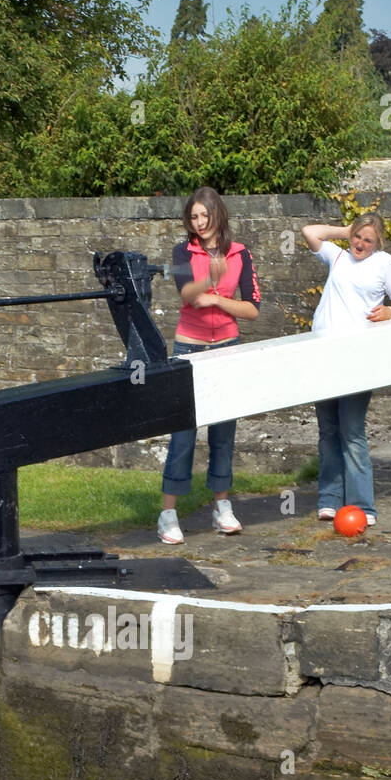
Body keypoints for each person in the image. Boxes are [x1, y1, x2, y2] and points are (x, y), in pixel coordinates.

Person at [158, 187, 261, 545]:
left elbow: (251, 308)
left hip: (227, 347)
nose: (199, 223)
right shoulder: (181, 251)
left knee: (223, 431)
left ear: (218, 214)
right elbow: (187, 294)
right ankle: (168, 513)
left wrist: (216, 297)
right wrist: (210, 278)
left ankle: (222, 507)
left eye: (204, 215)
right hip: (189, 346)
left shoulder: (240, 253)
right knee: (183, 432)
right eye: (193, 217)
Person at [300, 213, 391, 527]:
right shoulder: (338, 256)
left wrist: (388, 312)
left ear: (378, 243)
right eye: (358, 237)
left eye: (368, 240)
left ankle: (363, 505)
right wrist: (345, 231)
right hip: (322, 354)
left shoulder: (386, 263)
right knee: (328, 431)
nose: (361, 244)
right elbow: (309, 231)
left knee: (351, 431)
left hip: (358, 358)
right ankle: (329, 500)